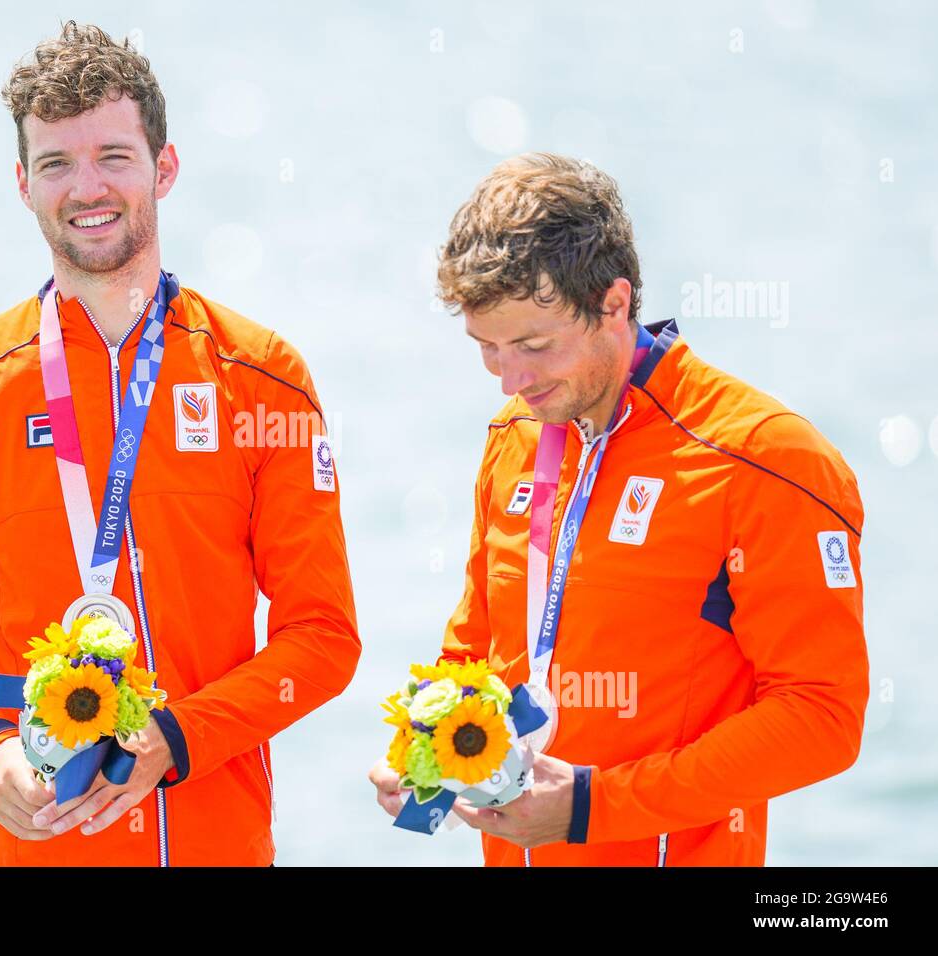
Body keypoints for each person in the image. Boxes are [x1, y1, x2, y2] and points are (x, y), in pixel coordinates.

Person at [0, 21, 360, 866]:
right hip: (18, 844)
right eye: (56, 163)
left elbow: (323, 635)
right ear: (24, 184)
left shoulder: (261, 378)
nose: (85, 187)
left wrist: (180, 734)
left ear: (164, 168)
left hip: (212, 839)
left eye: (114, 157)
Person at [369, 153, 868, 865]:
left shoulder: (766, 457)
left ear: (614, 303)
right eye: (487, 349)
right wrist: (424, 761)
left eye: (534, 346)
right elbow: (479, 647)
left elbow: (824, 718)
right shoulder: (515, 432)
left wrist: (590, 808)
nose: (512, 379)